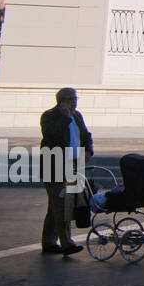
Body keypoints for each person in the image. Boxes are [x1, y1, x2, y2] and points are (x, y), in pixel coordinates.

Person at [38, 87, 91, 256]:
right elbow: (50, 134)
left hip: (73, 165)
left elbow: (86, 135)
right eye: (69, 99)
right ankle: (67, 243)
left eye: (75, 98)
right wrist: (65, 117)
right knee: (62, 205)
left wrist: (88, 150)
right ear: (60, 101)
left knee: (55, 206)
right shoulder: (49, 116)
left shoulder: (77, 115)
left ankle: (48, 242)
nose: (73, 102)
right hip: (53, 166)